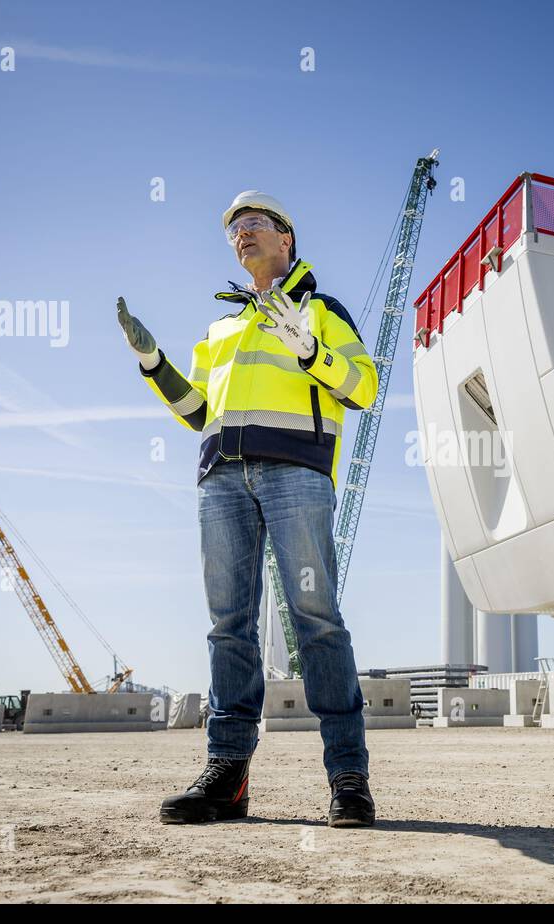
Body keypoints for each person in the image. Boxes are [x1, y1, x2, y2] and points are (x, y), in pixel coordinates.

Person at [116, 191, 378, 828]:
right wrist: (154, 364)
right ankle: (227, 777)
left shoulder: (322, 309)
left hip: (297, 475)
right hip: (222, 481)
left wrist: (311, 350)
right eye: (234, 228)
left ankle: (349, 778)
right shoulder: (221, 329)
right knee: (228, 627)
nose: (242, 234)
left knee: (316, 620)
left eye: (255, 223)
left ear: (287, 239)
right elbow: (198, 413)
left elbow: (364, 388)